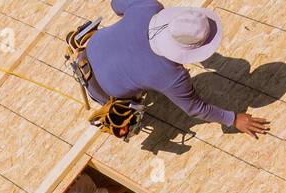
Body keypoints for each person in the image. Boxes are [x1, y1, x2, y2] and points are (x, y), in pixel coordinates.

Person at [85, 2, 271, 138]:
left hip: (87, 51)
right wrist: (233, 119)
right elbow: (195, 108)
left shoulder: (148, 7)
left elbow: (116, 3)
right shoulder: (171, 76)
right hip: (103, 92)